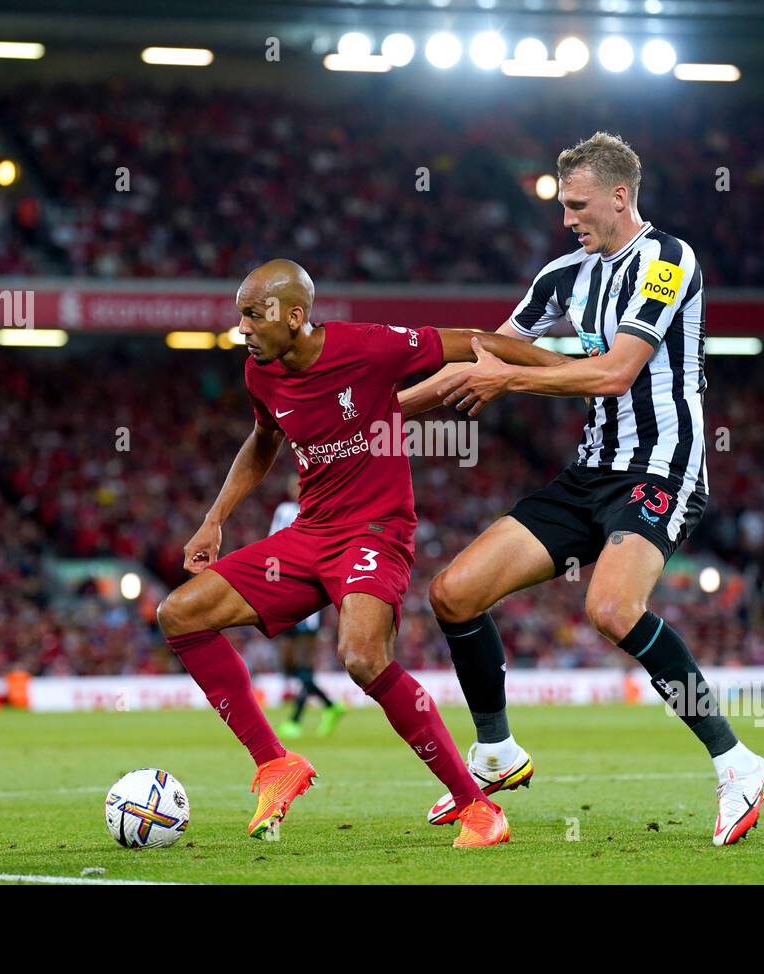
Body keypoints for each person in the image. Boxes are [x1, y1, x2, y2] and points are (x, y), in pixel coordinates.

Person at [400, 132, 764, 846]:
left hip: (662, 466)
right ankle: (496, 756)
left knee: (610, 607)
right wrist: (373, 411)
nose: (567, 217)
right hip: (589, 473)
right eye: (561, 204)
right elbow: (486, 349)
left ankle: (737, 763)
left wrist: (512, 375)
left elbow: (614, 373)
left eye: (576, 204)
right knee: (454, 593)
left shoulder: (667, 259)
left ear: (619, 196)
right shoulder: (562, 275)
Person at [156, 258, 566, 847]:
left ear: (295, 316)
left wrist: (574, 370)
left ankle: (478, 808)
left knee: (360, 656)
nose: (242, 327)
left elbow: (475, 343)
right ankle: (275, 763)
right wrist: (213, 521)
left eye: (253, 314)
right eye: (239, 314)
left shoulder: (369, 348)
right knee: (180, 615)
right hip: (309, 535)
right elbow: (263, 439)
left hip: (375, 531)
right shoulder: (259, 374)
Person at [269, 475, 346, 740]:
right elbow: (272, 547)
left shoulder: (320, 513)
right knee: (289, 664)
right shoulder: (284, 511)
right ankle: (329, 706)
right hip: (285, 593)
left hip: (309, 598)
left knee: (303, 663)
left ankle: (296, 720)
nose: (297, 490)